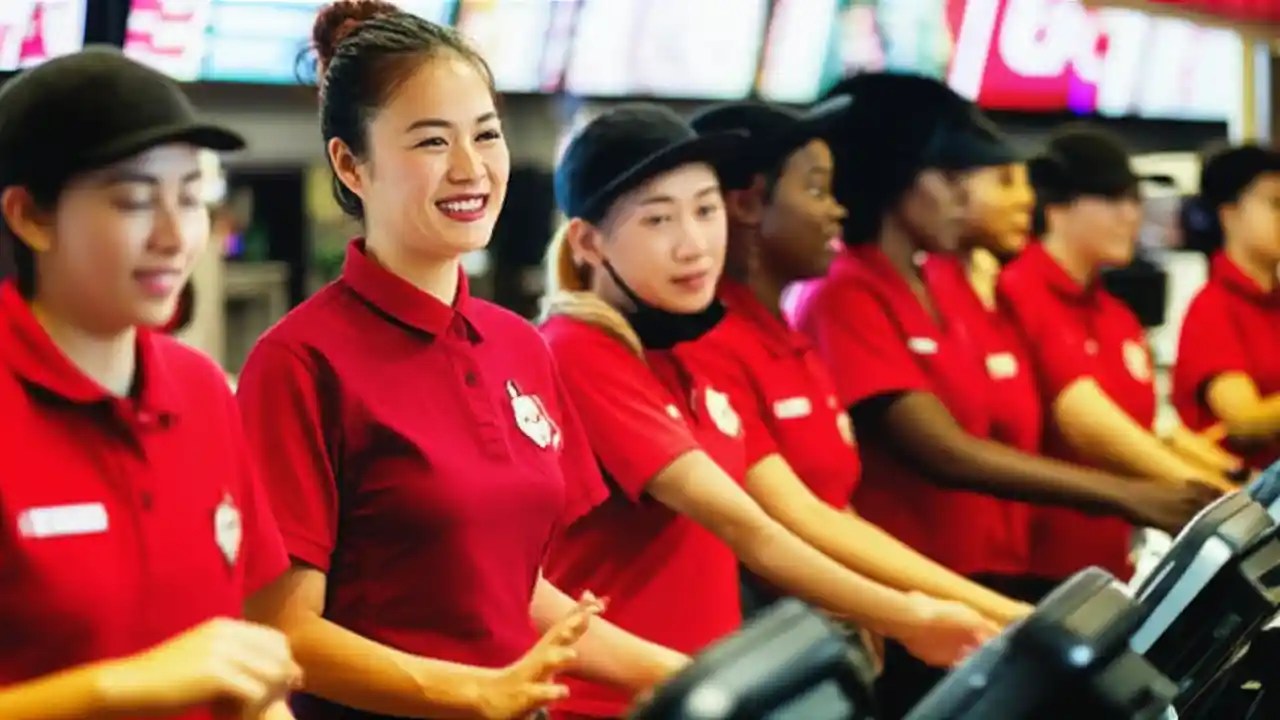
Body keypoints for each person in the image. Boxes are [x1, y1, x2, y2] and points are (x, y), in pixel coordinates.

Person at [235, 3, 688, 720]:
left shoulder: (520, 345)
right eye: (431, 142)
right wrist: (472, 692)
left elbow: (513, 590)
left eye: (487, 135)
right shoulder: (298, 362)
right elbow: (282, 630)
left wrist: (677, 674)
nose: (471, 169)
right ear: (351, 164)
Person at [541, 101, 1001, 720]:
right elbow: (749, 530)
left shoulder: (690, 351)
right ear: (589, 242)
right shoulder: (579, 352)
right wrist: (908, 616)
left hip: (713, 692)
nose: (693, 244)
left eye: (705, 210)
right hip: (618, 707)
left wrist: (983, 612)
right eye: (657, 220)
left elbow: (801, 509)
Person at [785, 73, 1217, 717]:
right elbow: (944, 451)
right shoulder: (848, 292)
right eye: (950, 172)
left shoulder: (944, 289)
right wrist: (1131, 494)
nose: (967, 192)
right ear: (903, 177)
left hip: (983, 588)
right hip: (916, 603)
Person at [0, 48, 299, 720]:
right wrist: (117, 687)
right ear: (30, 217)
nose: (175, 235)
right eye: (135, 200)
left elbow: (247, 675)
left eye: (192, 197)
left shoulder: (203, 392)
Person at [681, 100, 1031, 625]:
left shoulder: (789, 337)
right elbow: (791, 521)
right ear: (750, 204)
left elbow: (834, 507)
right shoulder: (710, 345)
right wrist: (943, 613)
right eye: (818, 190)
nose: (836, 210)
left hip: (851, 628)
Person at [997, 124, 1237, 589]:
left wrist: (1232, 481)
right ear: (1059, 206)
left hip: (1107, 567)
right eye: (1113, 200)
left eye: (1135, 201)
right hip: (1036, 568)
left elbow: (1149, 430)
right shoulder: (1021, 291)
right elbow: (1087, 422)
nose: (1131, 216)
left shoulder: (1114, 313)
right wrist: (1219, 500)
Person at [1173, 144, 1280, 469]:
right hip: (1248, 503)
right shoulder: (1212, 308)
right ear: (1229, 215)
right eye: (1276, 204)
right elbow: (1243, 420)